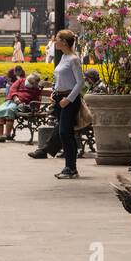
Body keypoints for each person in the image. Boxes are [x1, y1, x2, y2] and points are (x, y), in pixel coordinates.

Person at [48, 29, 85, 180]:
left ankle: (71, 168)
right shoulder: (63, 57)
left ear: (63, 42)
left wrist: (68, 99)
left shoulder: (73, 59)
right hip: (59, 99)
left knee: (65, 133)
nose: (54, 40)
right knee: (64, 134)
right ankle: (68, 167)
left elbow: (80, 82)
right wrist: (54, 92)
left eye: (56, 38)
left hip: (69, 101)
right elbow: (59, 78)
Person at [0, 67, 38, 141]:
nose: (30, 84)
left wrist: (35, 108)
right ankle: (0, 136)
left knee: (10, 110)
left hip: (22, 105)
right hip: (11, 100)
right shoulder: (20, 81)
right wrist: (15, 97)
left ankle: (7, 135)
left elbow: (36, 98)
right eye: (30, 82)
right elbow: (13, 89)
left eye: (32, 83)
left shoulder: (35, 88)